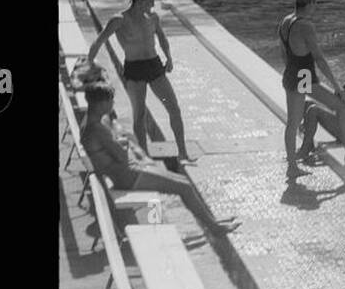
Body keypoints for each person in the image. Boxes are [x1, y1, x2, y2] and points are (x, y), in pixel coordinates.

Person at [79, 83, 237, 233]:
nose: (112, 103)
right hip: (128, 176)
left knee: (184, 181)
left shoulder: (89, 122)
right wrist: (124, 143)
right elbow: (121, 156)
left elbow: (112, 150)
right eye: (110, 100)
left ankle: (212, 221)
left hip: (128, 172)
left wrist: (120, 143)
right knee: (185, 187)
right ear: (100, 103)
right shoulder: (97, 129)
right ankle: (214, 228)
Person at [86, 0, 191, 162]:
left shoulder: (153, 18)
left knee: (174, 108)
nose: (153, 5)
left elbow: (162, 38)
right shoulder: (119, 20)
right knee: (139, 114)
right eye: (150, 2)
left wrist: (169, 57)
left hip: (154, 66)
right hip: (134, 69)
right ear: (139, 2)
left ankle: (183, 153)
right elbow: (99, 41)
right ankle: (145, 157)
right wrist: (89, 63)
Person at [279, 0, 345, 179]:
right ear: (311, 3)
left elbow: (284, 53)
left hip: (292, 74)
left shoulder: (286, 21)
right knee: (341, 106)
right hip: (304, 76)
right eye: (316, 3)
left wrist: (293, 72)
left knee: (292, 123)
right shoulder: (306, 25)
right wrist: (337, 86)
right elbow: (319, 59)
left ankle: (292, 165)